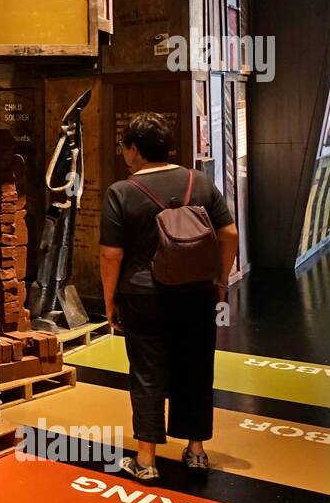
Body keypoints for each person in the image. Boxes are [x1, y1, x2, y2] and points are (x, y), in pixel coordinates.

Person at [99, 113, 239, 481]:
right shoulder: (200, 182)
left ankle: (146, 460)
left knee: (146, 373)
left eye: (125, 148)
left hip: (143, 295)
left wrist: (110, 300)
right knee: (196, 367)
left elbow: (110, 254)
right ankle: (196, 451)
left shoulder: (122, 192)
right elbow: (229, 233)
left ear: (134, 149)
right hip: (197, 292)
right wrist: (220, 280)